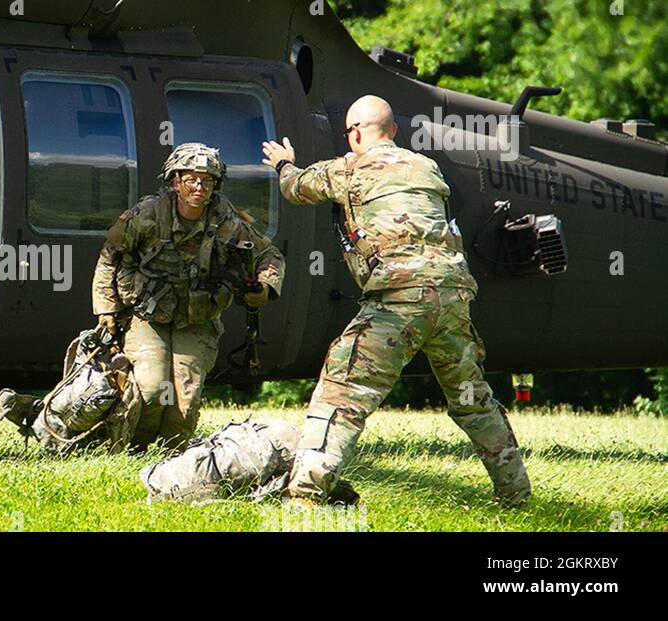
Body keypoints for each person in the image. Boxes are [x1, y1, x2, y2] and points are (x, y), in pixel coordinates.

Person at [261, 94, 531, 507]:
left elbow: (296, 188)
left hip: (399, 297)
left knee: (343, 391)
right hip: (452, 295)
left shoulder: (349, 168)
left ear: (353, 134)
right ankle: (516, 494)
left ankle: (305, 496)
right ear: (394, 131)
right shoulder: (427, 167)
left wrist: (284, 162)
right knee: (472, 399)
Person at [92, 143, 284, 451]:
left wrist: (264, 287)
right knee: (152, 387)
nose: (199, 187)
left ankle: (174, 457)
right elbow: (109, 258)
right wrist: (106, 310)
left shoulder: (227, 222)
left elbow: (269, 255)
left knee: (185, 398)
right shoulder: (147, 215)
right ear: (175, 181)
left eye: (207, 181)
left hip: (196, 318)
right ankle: (133, 448)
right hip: (147, 315)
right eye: (191, 179)